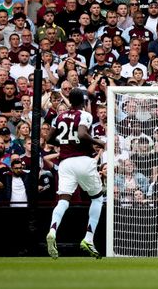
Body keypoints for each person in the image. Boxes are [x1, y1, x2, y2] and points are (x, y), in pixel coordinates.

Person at [45, 88, 107, 259]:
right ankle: (88, 238)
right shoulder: (85, 115)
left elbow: (49, 139)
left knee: (63, 200)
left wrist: (65, 142)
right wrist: (98, 142)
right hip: (83, 160)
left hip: (65, 163)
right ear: (84, 102)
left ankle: (52, 230)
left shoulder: (60, 116)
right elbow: (81, 133)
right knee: (97, 197)